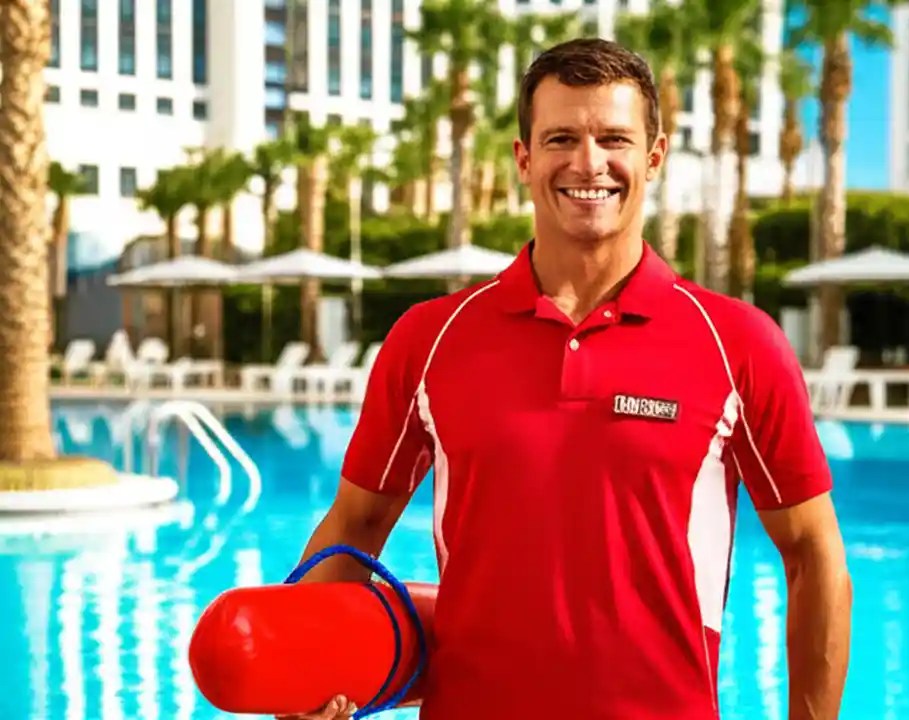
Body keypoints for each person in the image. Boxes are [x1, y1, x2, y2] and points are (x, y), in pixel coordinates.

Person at [281, 37, 852, 720]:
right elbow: (357, 522)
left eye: (614, 137)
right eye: (560, 139)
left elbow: (813, 553)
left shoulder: (736, 343)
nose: (589, 163)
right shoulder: (430, 339)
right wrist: (301, 671)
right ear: (524, 160)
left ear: (655, 156)